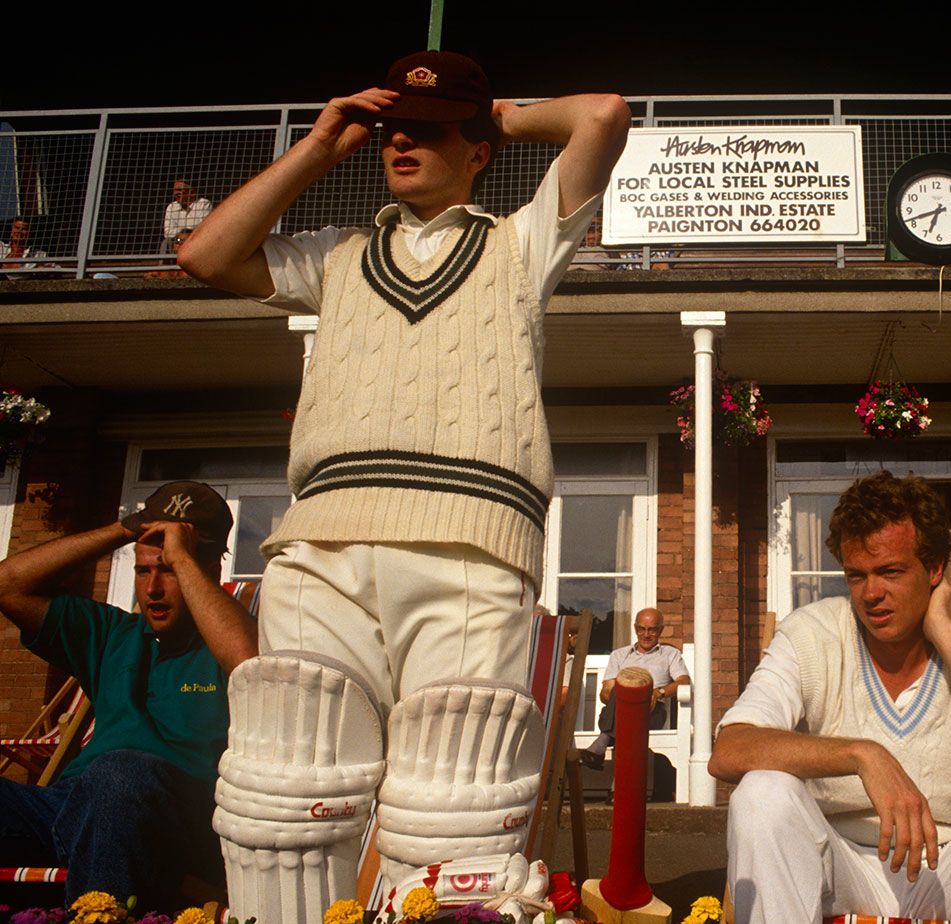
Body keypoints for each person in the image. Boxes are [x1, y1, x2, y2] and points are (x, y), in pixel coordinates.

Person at [178, 49, 630, 919]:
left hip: (469, 547)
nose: (401, 143)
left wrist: (484, 113)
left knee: (452, 810)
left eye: (428, 132)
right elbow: (204, 254)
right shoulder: (335, 258)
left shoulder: (522, 243)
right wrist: (320, 146)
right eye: (392, 130)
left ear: (478, 150)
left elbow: (602, 113)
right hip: (319, 546)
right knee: (286, 792)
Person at [710, 471, 951, 924]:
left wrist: (947, 636)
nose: (871, 593)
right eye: (857, 576)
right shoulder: (811, 632)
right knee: (762, 792)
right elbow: (730, 750)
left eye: (890, 571)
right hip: (842, 865)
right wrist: (862, 755)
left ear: (934, 570)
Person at [0, 481, 257, 912]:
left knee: (119, 774)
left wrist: (183, 554)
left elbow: (250, 664)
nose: (153, 588)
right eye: (143, 570)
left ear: (209, 570)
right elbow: (8, 584)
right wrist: (126, 528)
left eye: (170, 570)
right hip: (71, 807)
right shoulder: (110, 634)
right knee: (106, 779)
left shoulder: (231, 640)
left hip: (177, 816)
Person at [578, 608, 691, 797]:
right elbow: (606, 692)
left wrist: (658, 692)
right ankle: (618, 791)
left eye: (652, 629)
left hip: (652, 711)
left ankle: (601, 742)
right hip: (620, 710)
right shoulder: (619, 655)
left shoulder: (669, 654)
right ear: (635, 628)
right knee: (622, 688)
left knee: (628, 696)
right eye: (641, 629)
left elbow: (683, 681)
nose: (646, 634)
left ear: (660, 630)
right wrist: (622, 696)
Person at [162, 179, 212, 252]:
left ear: (192, 193)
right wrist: (181, 236)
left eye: (179, 190)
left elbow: (203, 227)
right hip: (178, 241)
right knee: (165, 242)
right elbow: (168, 232)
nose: (175, 193)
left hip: (197, 239)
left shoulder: (203, 204)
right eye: (175, 190)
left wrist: (187, 235)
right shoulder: (171, 207)